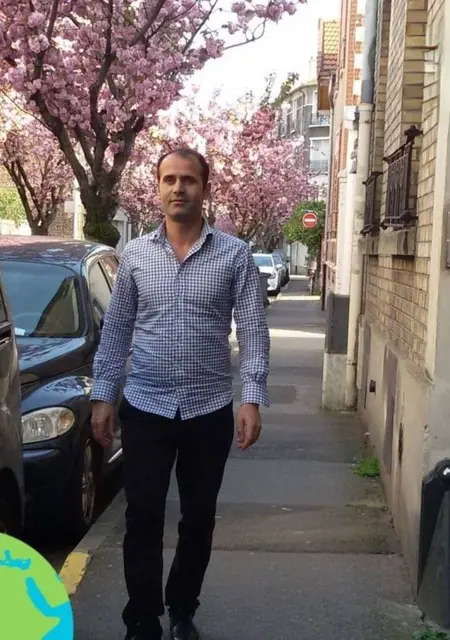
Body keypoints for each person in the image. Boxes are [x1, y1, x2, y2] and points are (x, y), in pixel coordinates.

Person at [90, 148, 271, 640]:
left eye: (187, 179)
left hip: (207, 409)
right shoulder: (136, 255)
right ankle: (142, 618)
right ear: (157, 187)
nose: (178, 188)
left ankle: (183, 608)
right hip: (145, 406)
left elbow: (252, 330)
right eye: (168, 179)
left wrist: (251, 397)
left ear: (204, 188)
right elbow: (117, 329)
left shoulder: (234, 254)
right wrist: (104, 395)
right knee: (142, 515)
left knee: (198, 519)